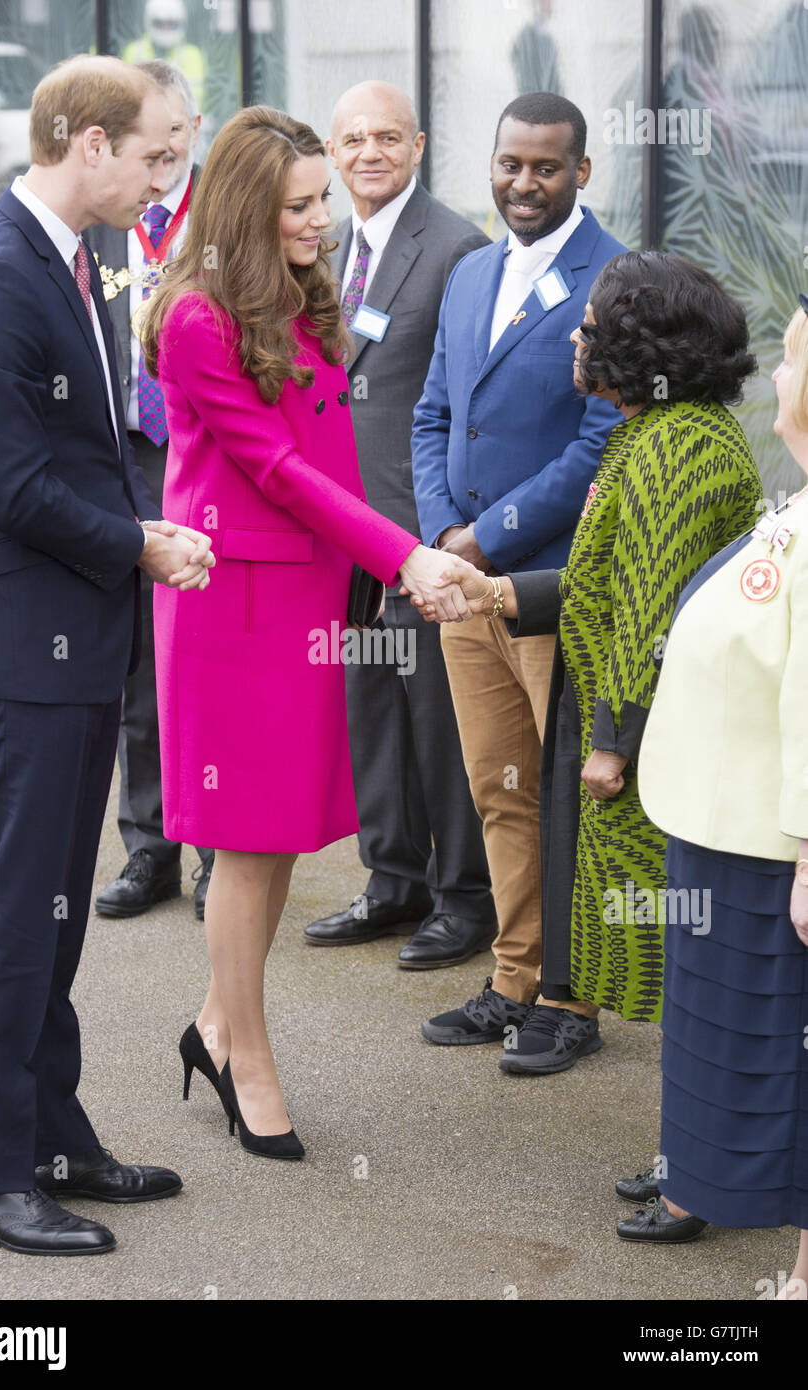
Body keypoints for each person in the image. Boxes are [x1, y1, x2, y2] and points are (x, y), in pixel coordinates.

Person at [139, 105, 479, 1160]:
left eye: (320, 199)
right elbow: (275, 471)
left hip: (306, 597)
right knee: (244, 845)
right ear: (246, 208)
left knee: (280, 833)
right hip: (230, 608)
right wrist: (402, 555)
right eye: (298, 204)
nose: (322, 219)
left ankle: (210, 1022)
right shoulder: (196, 317)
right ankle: (248, 1056)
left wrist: (380, 561)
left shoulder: (295, 300)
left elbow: (325, 461)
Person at [0, 56, 214, 1255]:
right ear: (86, 142)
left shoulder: (78, 258)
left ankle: (52, 1138)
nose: (170, 174)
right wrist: (139, 546)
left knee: (53, 915)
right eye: (157, 152)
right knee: (18, 914)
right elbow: (12, 488)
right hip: (29, 646)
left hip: (74, 638)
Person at [413, 252, 763, 1079]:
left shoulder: (673, 449)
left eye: (594, 327)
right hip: (631, 716)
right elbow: (605, 578)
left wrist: (611, 744)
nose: (576, 333)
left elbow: (647, 616)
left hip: (649, 736)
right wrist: (493, 593)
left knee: (672, 949)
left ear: (642, 348)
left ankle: (689, 1151)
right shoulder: (654, 431)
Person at [411, 92, 625, 1056]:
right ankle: (515, 977)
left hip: (549, 586)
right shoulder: (469, 275)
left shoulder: (613, 279)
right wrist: (438, 534)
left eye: (544, 167)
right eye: (508, 164)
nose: (522, 183)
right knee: (498, 786)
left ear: (581, 172)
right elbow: (430, 415)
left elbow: (600, 442)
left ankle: (570, 1003)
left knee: (561, 794)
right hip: (461, 583)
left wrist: (485, 538)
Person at [621, 300, 808, 1288]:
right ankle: (699, 1177)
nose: (773, 381)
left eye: (788, 361)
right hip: (720, 826)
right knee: (717, 1035)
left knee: (772, 1048)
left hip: (770, 844)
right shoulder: (796, 496)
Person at [304, 80, 496, 968]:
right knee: (368, 708)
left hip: (414, 530)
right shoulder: (327, 247)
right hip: (337, 528)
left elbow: (459, 402)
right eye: (352, 140)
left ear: (417, 146)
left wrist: (442, 531)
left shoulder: (455, 248)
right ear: (333, 154)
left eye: (387, 136)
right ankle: (391, 881)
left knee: (438, 717)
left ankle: (463, 897)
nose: (369, 153)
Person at [86, 61, 214, 922]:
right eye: (148, 132)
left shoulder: (227, 216)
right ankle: (149, 847)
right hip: (128, 454)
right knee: (138, 661)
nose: (163, 150)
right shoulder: (100, 227)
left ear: (194, 128)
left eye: (175, 130)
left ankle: (218, 850)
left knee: (206, 660)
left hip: (208, 460)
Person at [122, 0, 205, 116]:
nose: (166, 29)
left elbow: (196, 99)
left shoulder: (192, 55)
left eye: (171, 24)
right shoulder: (134, 51)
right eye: (160, 23)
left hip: (180, 117)